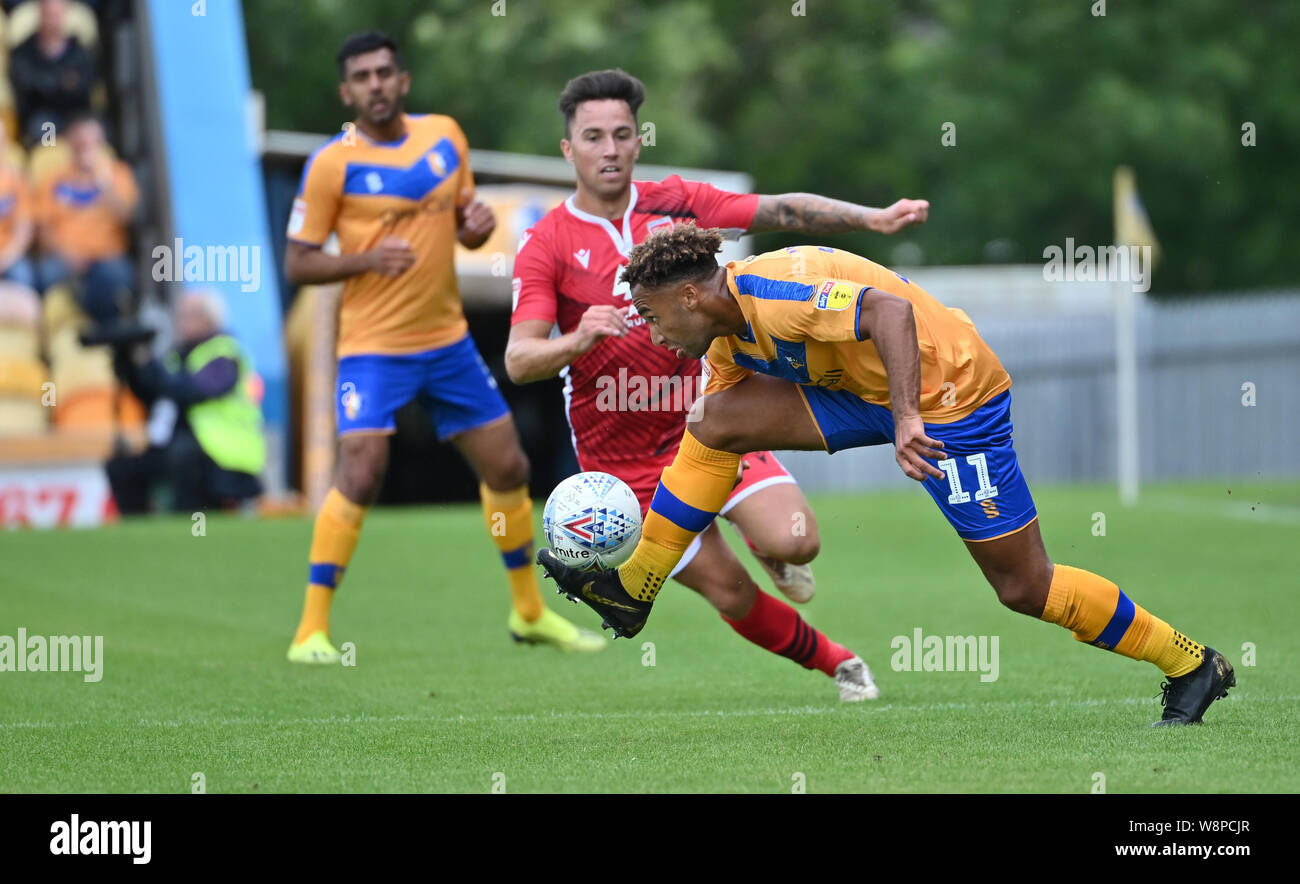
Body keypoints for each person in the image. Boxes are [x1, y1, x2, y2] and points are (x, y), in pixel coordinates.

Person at [538, 225, 1235, 726]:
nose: (654, 337)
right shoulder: (725, 339)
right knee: (713, 419)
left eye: (656, 318)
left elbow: (889, 312)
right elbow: (719, 429)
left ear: (690, 297)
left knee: (1023, 586)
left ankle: (1189, 662)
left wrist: (907, 419)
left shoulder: (774, 297)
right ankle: (635, 589)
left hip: (950, 398)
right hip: (865, 392)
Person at [507, 69, 929, 700]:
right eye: (593, 137)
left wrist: (874, 217)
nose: (611, 149)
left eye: (622, 134)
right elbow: (519, 361)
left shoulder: (674, 202)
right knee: (728, 590)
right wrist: (576, 339)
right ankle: (841, 665)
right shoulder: (545, 244)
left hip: (714, 423)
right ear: (569, 149)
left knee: (799, 540)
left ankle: (770, 547)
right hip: (624, 468)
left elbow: (780, 210)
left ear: (637, 140)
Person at [284, 31, 602, 664]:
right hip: (371, 349)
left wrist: (473, 227)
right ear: (346, 92)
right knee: (362, 471)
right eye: (361, 77)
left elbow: (463, 221)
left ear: (402, 80)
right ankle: (310, 630)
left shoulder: (445, 137)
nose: (375, 84)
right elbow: (298, 263)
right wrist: (368, 258)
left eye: (384, 72)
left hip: (448, 343)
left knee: (509, 468)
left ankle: (529, 612)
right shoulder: (330, 164)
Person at [106, 290, 264, 513]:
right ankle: (138, 530)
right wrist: (133, 366)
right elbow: (152, 394)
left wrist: (150, 364)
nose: (180, 322)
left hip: (223, 454)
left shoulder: (224, 354)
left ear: (209, 319)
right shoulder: (177, 356)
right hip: (180, 446)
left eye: (189, 316)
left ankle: (187, 522)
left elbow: (191, 390)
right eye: (180, 315)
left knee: (182, 453)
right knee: (122, 467)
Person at [35, 112, 137, 324]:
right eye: (80, 143)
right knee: (45, 276)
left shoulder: (117, 173)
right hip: (64, 257)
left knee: (116, 276)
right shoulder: (53, 180)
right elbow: (43, 229)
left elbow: (124, 215)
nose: (85, 148)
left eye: (90, 142)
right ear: (70, 143)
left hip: (106, 256)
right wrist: (66, 254)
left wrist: (101, 179)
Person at [7, 0, 98, 145]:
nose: (53, 21)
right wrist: (64, 83)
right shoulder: (23, 53)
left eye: (56, 15)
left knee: (94, 129)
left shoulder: (78, 51)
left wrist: (47, 84)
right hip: (42, 117)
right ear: (40, 14)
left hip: (75, 116)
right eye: (49, 15)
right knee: (45, 130)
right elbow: (25, 89)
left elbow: (85, 86)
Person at [0, 154, 36, 288]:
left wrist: (3, 260)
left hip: (8, 255)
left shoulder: (16, 179)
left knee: (22, 275)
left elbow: (23, 231)